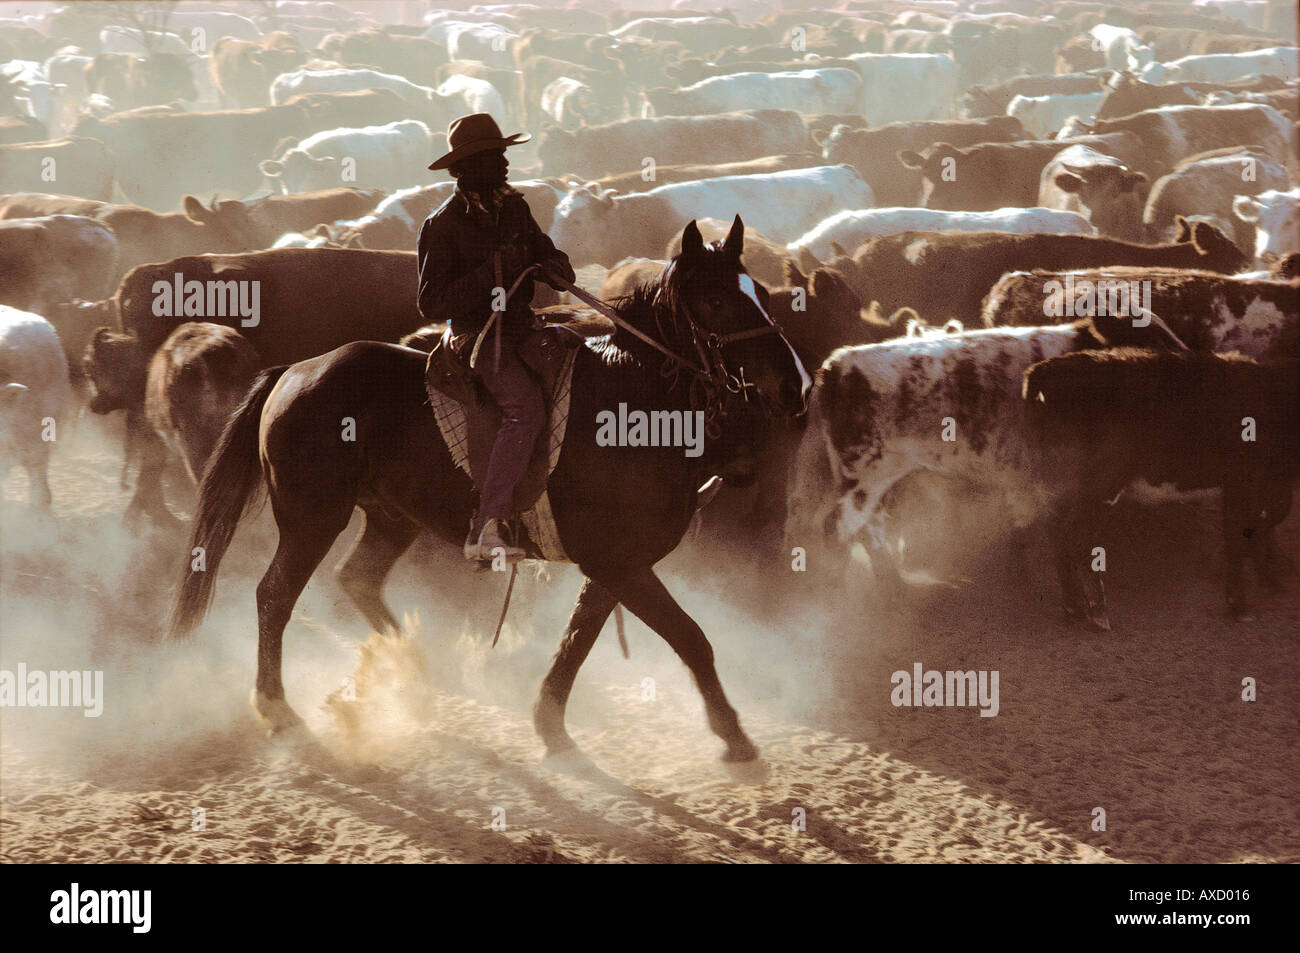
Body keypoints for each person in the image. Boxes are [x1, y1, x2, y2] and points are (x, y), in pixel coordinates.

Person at [417, 113, 576, 562]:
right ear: (465, 168)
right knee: (524, 410)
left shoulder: (514, 208)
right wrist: (492, 274)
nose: (505, 163)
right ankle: (487, 525)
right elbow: (431, 304)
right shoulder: (442, 225)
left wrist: (557, 266)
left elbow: (547, 252)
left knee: (587, 366)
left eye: (505, 154)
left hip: (522, 328)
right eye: (495, 156)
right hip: (476, 339)